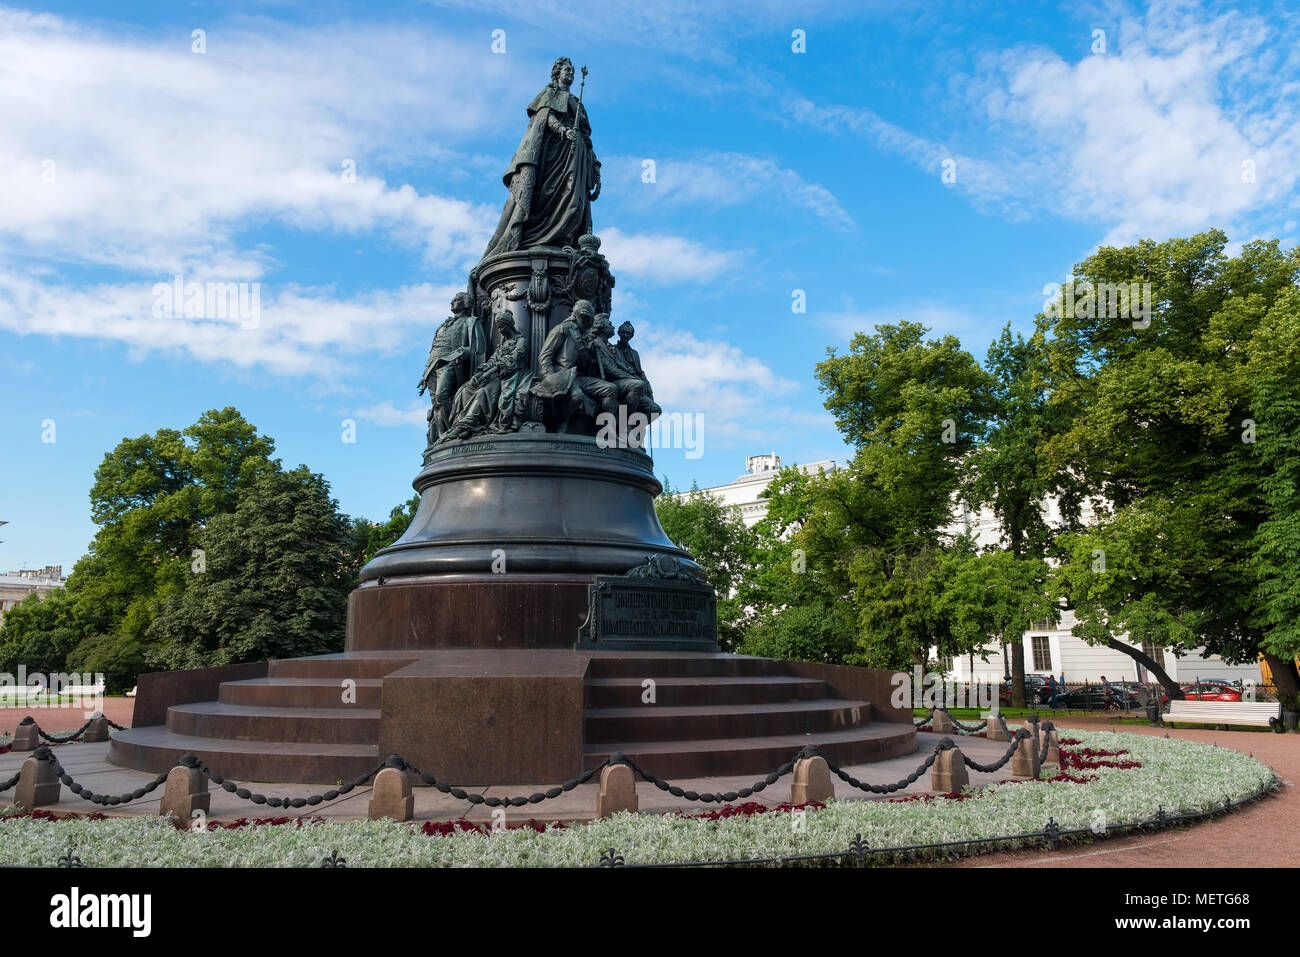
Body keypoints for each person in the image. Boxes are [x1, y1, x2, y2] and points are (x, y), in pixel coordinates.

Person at [481, 57, 601, 258]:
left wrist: (595, 166)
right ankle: (542, 236)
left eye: (572, 70)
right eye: (567, 70)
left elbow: (587, 136)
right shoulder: (549, 94)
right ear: (557, 73)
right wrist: (563, 130)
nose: (571, 73)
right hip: (556, 154)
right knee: (556, 193)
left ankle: (565, 237)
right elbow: (547, 117)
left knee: (576, 199)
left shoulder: (576, 101)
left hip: (577, 153)